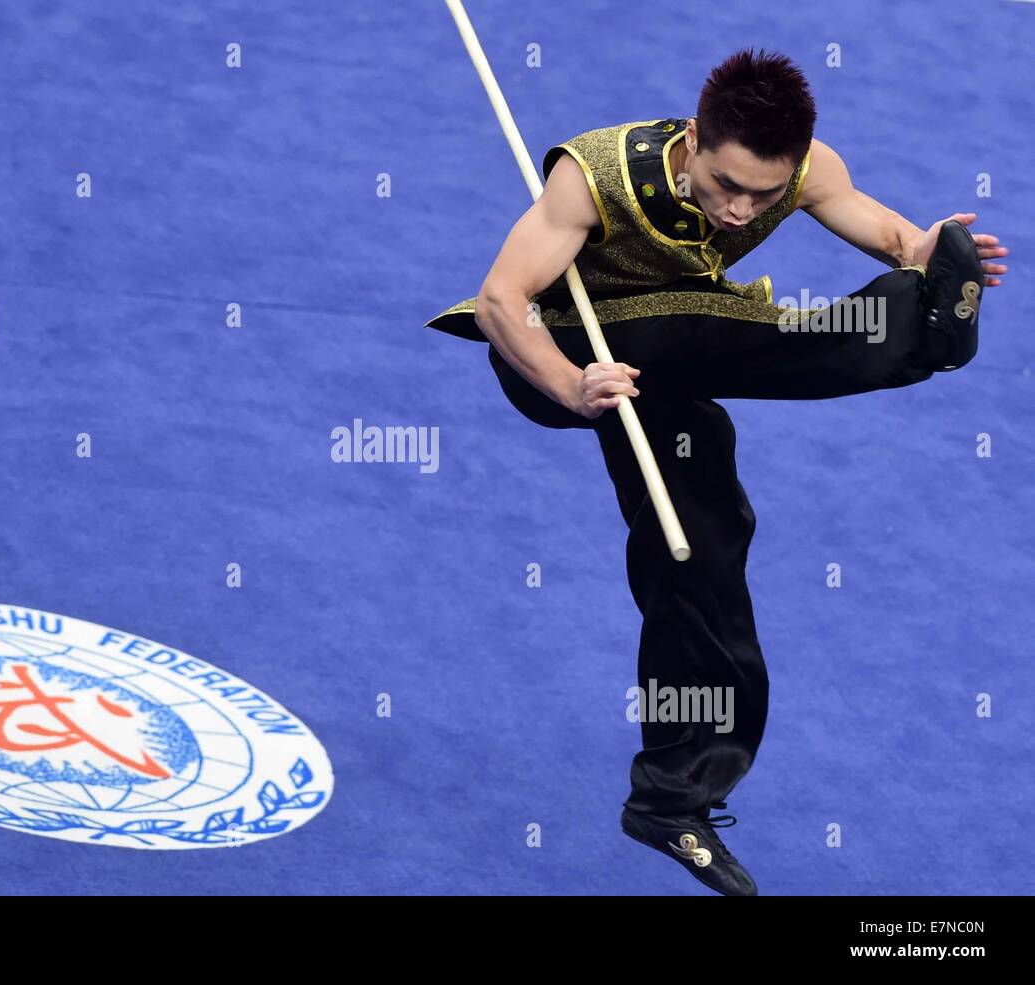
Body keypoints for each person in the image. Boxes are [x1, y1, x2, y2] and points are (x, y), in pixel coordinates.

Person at [423, 47, 1007, 896]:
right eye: (725, 184)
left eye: (764, 196)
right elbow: (500, 301)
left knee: (700, 550)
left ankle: (673, 795)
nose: (740, 210)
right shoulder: (593, 178)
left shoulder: (807, 170)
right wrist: (571, 385)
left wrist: (930, 250)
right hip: (562, 355)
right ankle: (915, 332)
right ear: (694, 141)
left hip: (665, 373)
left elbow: (886, 231)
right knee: (790, 327)